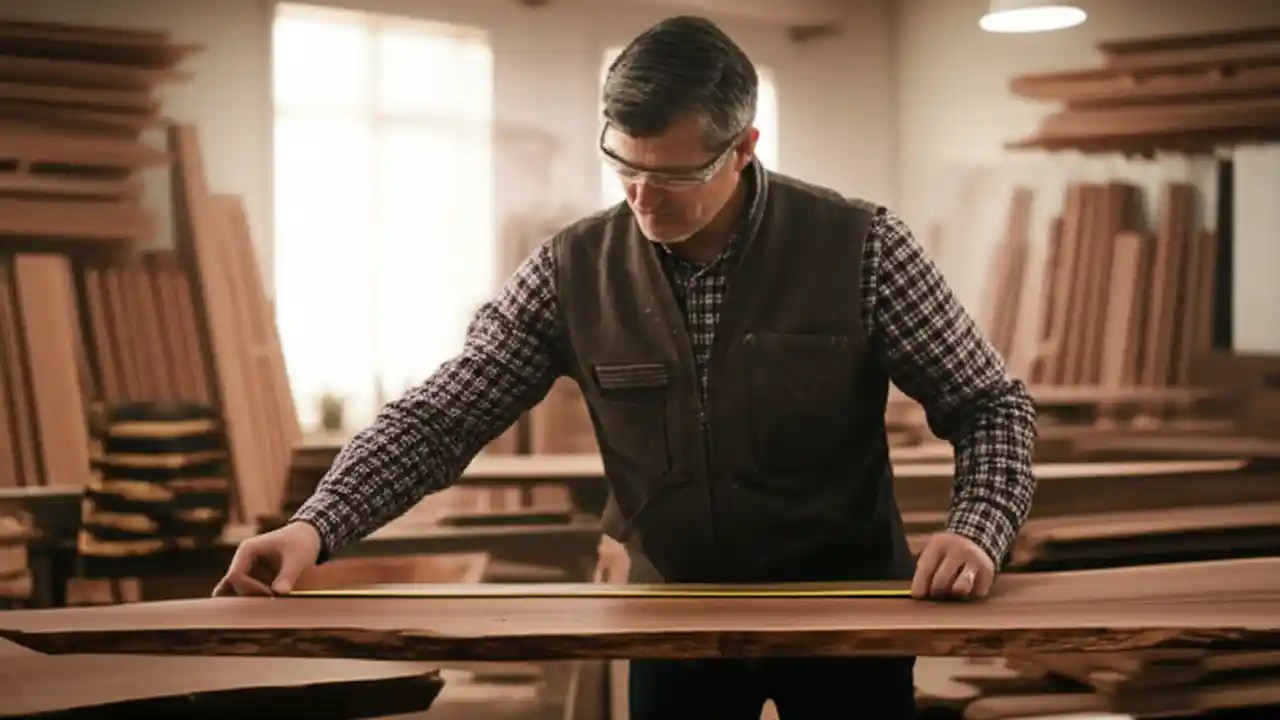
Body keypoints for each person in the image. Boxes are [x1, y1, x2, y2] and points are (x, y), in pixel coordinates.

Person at [214, 15, 1037, 719]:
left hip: (848, 619)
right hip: (670, 621)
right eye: (625, 168)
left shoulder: (862, 248)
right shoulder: (572, 269)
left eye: (674, 175)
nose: (644, 199)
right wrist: (314, 525)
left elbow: (992, 406)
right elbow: (442, 415)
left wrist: (977, 528)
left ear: (744, 147)